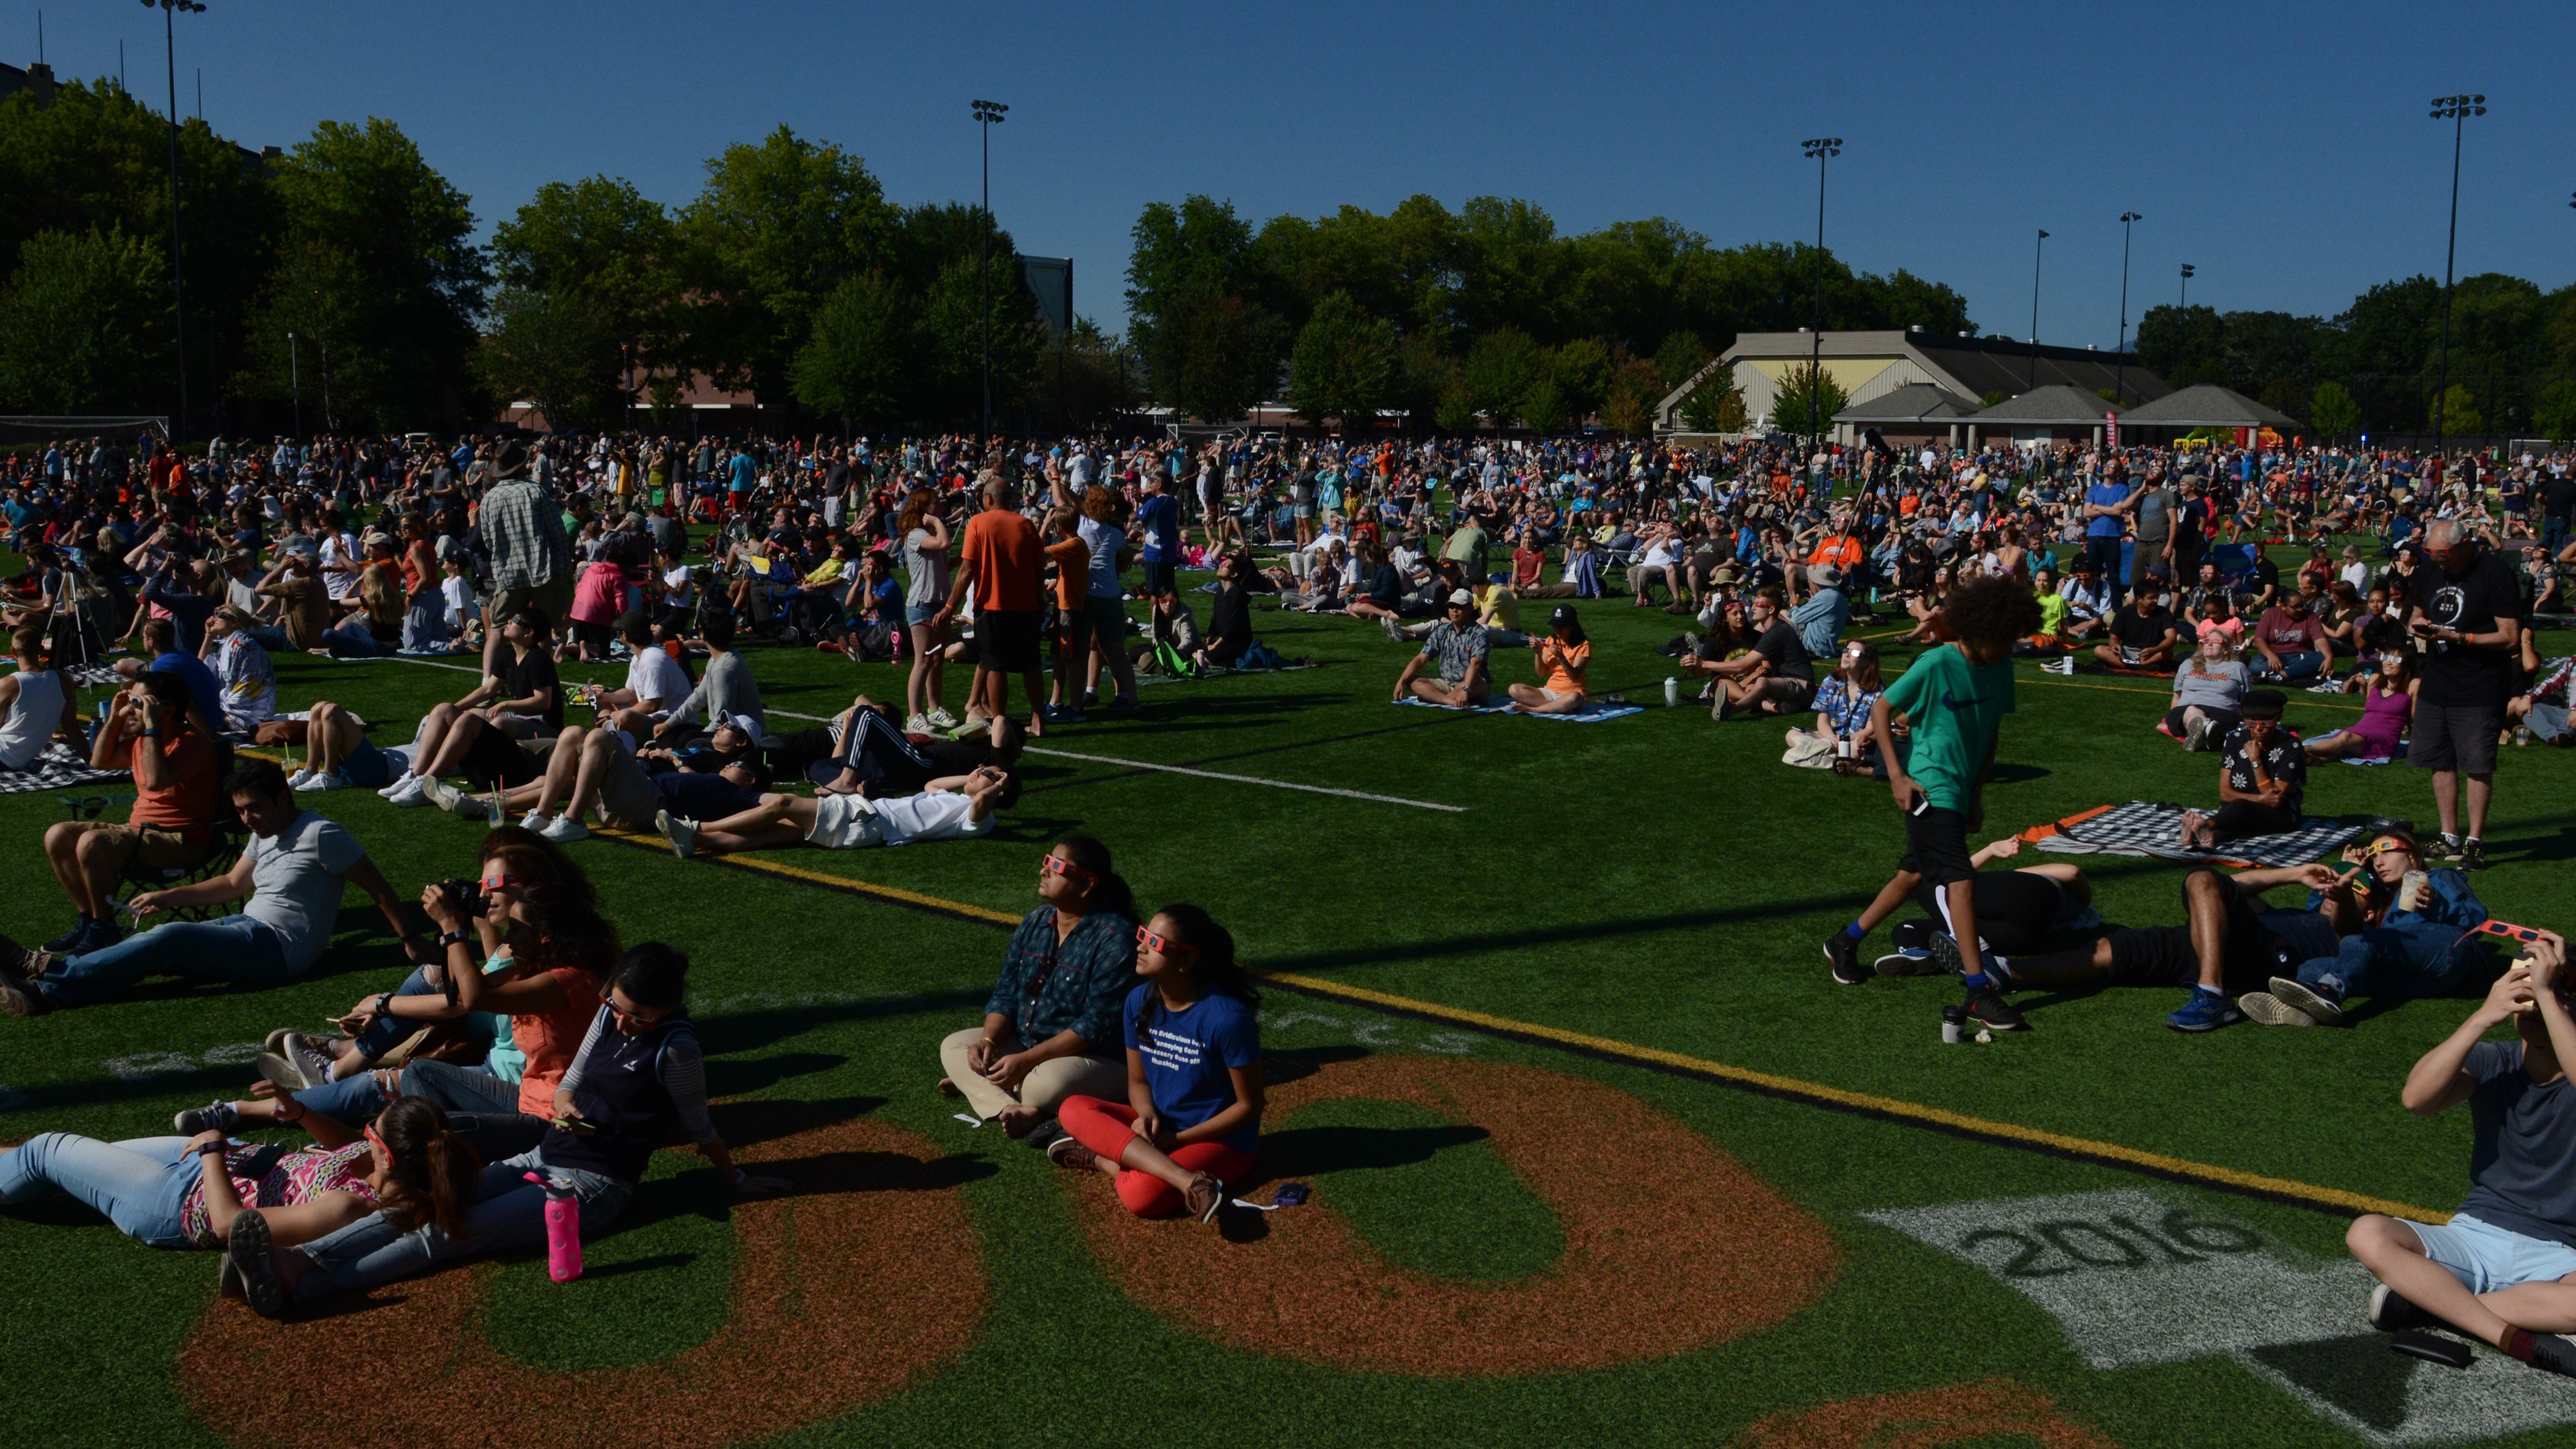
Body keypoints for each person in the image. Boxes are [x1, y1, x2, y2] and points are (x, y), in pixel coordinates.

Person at [229, 942, 785, 1317]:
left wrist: (733, 1178)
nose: (621, 1020)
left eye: (638, 1016)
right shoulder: (604, 1011)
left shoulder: (677, 1047)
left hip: (591, 1188)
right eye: (616, 1005)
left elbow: (697, 1120)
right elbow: (573, 1075)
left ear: (666, 1009)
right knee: (427, 1203)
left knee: (448, 1230)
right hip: (544, 1154)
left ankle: (302, 1283)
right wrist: (564, 1103)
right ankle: (296, 1257)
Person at [2, 760, 423, 1016]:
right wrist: (168, 896)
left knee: (170, 938)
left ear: (282, 798)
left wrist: (409, 939)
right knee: (153, 950)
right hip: (248, 926)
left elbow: (378, 887)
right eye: (240, 811)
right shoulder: (266, 832)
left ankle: (49, 969)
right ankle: (45, 996)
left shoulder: (322, 833)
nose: (247, 819)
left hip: (280, 950)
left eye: (254, 807)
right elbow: (233, 883)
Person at [2346, 931, 2576, 1379]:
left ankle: (2430, 1306)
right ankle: (2509, 1334)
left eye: (2549, 990)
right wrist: (2480, 1017)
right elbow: (2416, 1098)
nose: (2532, 1001)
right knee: (2367, 1232)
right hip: (2476, 1236)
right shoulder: (2495, 1061)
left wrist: (2549, 996)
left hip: (2563, 1256)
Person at [1826, 575, 2043, 1034]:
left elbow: (1990, 734)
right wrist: (1898, 777)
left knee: (1913, 875)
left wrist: (1978, 796)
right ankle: (1977, 989)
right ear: (1977, 630)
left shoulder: (2001, 669)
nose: (2009, 648)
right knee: (1960, 879)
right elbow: (1881, 709)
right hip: (1929, 787)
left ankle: (1844, 941)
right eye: (2002, 639)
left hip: (1960, 790)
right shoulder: (1936, 661)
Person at [0, 1094, 468, 1260]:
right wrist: (302, 1112)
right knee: (41, 1159)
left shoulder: (347, 1207)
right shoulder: (387, 1169)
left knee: (47, 1150)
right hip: (216, 1163)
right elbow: (346, 1143)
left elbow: (228, 1225)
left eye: (372, 1132)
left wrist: (210, 1150)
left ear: (386, 1155)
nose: (363, 1135)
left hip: (176, 1201)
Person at [1048, 903, 1262, 1224]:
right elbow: (1138, 1083)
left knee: (1141, 1196)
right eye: (1143, 935)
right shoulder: (1138, 1000)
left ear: (1187, 960)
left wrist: (1177, 1141)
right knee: (1073, 1108)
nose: (1141, 946)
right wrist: (1147, 1115)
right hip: (1162, 1125)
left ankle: (1102, 1159)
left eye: (1155, 943)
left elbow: (1250, 1106)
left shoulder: (1228, 1019)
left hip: (1220, 1142)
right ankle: (1190, 1182)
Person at [936, 835, 1142, 1139]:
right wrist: (990, 1040)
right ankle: (1014, 1104)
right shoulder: (1035, 921)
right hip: (1027, 1047)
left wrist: (1027, 1061)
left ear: (1086, 885)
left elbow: (1094, 1027)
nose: (1044, 871)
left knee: (1043, 1084)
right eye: (1048, 861)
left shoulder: (1115, 940)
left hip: (1094, 1060)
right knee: (954, 1045)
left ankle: (995, 1088)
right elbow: (1006, 993)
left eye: (1057, 866)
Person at [37, 671, 223, 954]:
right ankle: (90, 920)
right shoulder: (142, 741)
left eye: (137, 701)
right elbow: (99, 761)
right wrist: (115, 717)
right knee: (58, 834)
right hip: (140, 833)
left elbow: (156, 780)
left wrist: (150, 728)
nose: (129, 707)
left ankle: (105, 928)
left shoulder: (192, 743)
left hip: (181, 842)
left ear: (166, 710)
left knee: (93, 841)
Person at [2238, 825, 2493, 1026]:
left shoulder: (2440, 877)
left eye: (2386, 851)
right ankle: (2300, 1011)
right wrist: (2346, 868)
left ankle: (2329, 990)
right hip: (2418, 980)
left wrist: (2438, 904)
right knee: (2313, 966)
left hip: (2447, 950)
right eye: (2374, 856)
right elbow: (2322, 911)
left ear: (2413, 856)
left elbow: (2478, 920)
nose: (2379, 861)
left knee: (2359, 943)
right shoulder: (2382, 906)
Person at [2408, 518, 2527, 870]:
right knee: (2439, 760)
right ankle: (2449, 836)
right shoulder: (2430, 570)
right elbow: (2416, 611)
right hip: (2437, 683)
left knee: (2476, 765)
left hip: (2479, 685)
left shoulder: (2494, 574)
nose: (2437, 560)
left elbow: (2509, 636)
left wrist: (2460, 638)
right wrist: (2418, 627)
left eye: (2442, 554)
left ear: (2463, 546)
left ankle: (2474, 840)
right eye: (2430, 553)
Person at [384, 607, 563, 809]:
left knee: (499, 722)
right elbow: (488, 689)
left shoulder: (538, 659)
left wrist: (506, 704)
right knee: (445, 710)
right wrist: (456, 707)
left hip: (543, 726)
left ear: (528, 633)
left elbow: (543, 702)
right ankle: (416, 776)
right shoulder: (508, 656)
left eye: (516, 620)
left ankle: (430, 782)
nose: (509, 622)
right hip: (519, 718)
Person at [654, 765, 1014, 859]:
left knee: (783, 803)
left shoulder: (978, 818)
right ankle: (698, 841)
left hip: (867, 820)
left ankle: (696, 826)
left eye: (987, 774)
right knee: (775, 831)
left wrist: (997, 785)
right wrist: (978, 775)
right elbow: (934, 784)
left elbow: (980, 805)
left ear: (997, 792)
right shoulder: (952, 799)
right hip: (865, 822)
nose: (979, 771)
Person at [936, 474, 1048, 736]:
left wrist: (950, 608)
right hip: (1027, 607)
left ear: (988, 499)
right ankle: (1039, 720)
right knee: (1031, 665)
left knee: (995, 665)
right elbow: (1039, 568)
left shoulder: (978, 523)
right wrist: (1038, 598)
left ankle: (1000, 722)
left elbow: (966, 571)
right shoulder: (1026, 524)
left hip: (992, 606)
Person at [478, 440, 574, 681]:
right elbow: (558, 533)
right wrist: (563, 565)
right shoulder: (535, 491)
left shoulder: (489, 499)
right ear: (522, 467)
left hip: (509, 574)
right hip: (543, 570)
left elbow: (489, 542)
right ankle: (539, 683)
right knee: (541, 630)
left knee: (498, 629)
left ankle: (487, 683)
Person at [2178, 688, 2304, 850]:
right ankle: (2211, 836)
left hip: (2280, 816)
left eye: (2265, 722)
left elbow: (2275, 801)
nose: (2258, 728)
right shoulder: (2235, 740)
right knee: (2238, 812)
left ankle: (2206, 825)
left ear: (2278, 716)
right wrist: (2259, 799)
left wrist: (2256, 760)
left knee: (2241, 808)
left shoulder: (2291, 746)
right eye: (2251, 722)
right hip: (2233, 812)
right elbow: (2225, 792)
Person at [1700, 587, 1815, 721]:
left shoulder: (1778, 632)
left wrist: (1704, 664)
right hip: (1788, 685)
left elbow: (1742, 666)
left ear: (1771, 610)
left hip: (1801, 686)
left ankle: (1731, 710)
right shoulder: (1772, 630)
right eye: (1753, 603)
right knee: (1754, 687)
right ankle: (1785, 706)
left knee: (1762, 683)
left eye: (1758, 605)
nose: (1752, 608)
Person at [897, 490, 958, 733]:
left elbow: (944, 563)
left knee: (936, 659)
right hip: (922, 605)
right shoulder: (916, 534)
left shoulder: (929, 534)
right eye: (935, 502)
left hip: (940, 605)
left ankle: (934, 709)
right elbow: (945, 543)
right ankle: (914, 716)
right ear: (923, 508)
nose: (940, 505)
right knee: (922, 661)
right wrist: (935, 521)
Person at [2306, 653, 2417, 761]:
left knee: (2345, 737)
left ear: (2407, 666)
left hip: (2385, 737)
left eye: (2396, 660)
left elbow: (2416, 718)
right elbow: (2370, 709)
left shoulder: (2413, 684)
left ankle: (2302, 750)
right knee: (2337, 749)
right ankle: (2310, 758)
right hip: (2362, 728)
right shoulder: (2375, 679)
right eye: (2387, 657)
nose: (2389, 662)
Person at [1391, 589, 1491, 707]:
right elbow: (1421, 659)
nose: (1454, 610)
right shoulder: (1442, 631)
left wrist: (1465, 689)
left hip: (1472, 683)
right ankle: (1451, 701)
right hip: (1446, 684)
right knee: (1413, 682)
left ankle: (1437, 697)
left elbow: (1476, 664)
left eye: (1460, 606)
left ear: (1470, 609)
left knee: (1480, 684)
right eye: (1452, 606)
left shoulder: (1479, 634)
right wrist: (1401, 682)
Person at [0, 623, 77, 772]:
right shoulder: (64, 682)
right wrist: (92, 759)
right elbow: (72, 728)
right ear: (41, 650)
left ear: (13, 651)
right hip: (19, 760)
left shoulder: (9, 684)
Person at [2163, 629, 2253, 751]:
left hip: (2223, 711)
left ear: (2226, 649)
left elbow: (2246, 700)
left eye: (2216, 641)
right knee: (2192, 710)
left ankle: (2202, 733)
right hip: (2186, 710)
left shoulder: (2238, 668)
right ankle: (2206, 730)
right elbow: (2177, 696)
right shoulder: (2188, 664)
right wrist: (2170, 719)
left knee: (2214, 721)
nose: (2209, 644)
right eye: (2207, 641)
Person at [1505, 604, 1590, 714]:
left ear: (1572, 625)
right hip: (1550, 693)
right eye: (1555, 626)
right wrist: (1538, 653)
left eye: (1561, 626)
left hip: (1572, 693)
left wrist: (1562, 658)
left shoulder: (1583, 645)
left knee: (1574, 698)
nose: (1557, 630)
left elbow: (1575, 676)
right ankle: (1558, 707)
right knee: (1514, 689)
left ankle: (1534, 709)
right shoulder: (1551, 640)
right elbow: (1541, 673)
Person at [204, 603, 278, 729]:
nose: (215, 618)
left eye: (222, 615)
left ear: (235, 622)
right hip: (235, 699)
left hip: (248, 708)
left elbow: (234, 683)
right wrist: (209, 636)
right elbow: (201, 669)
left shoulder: (240, 644)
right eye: (216, 613)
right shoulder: (229, 644)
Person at [2251, 588, 2332, 685]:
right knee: (2255, 665)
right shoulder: (2270, 614)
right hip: (2275, 656)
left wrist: (2329, 657)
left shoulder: (2311, 616)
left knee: (2319, 658)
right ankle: (2299, 673)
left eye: (2302, 606)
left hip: (2301, 657)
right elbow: (2259, 639)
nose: (2300, 610)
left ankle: (2281, 676)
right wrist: (2271, 656)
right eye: (2296, 607)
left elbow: (2320, 639)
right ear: (2283, 606)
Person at [2096, 587, 2181, 673]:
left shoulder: (2164, 613)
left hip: (2152, 654)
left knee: (2168, 653)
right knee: (2099, 650)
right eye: (2151, 598)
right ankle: (2136, 666)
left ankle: (2136, 666)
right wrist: (2115, 646)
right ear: (2139, 599)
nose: (2156, 601)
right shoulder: (2125, 612)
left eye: (2157, 597)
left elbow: (2172, 638)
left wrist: (2154, 650)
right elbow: (2114, 637)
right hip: (2127, 652)